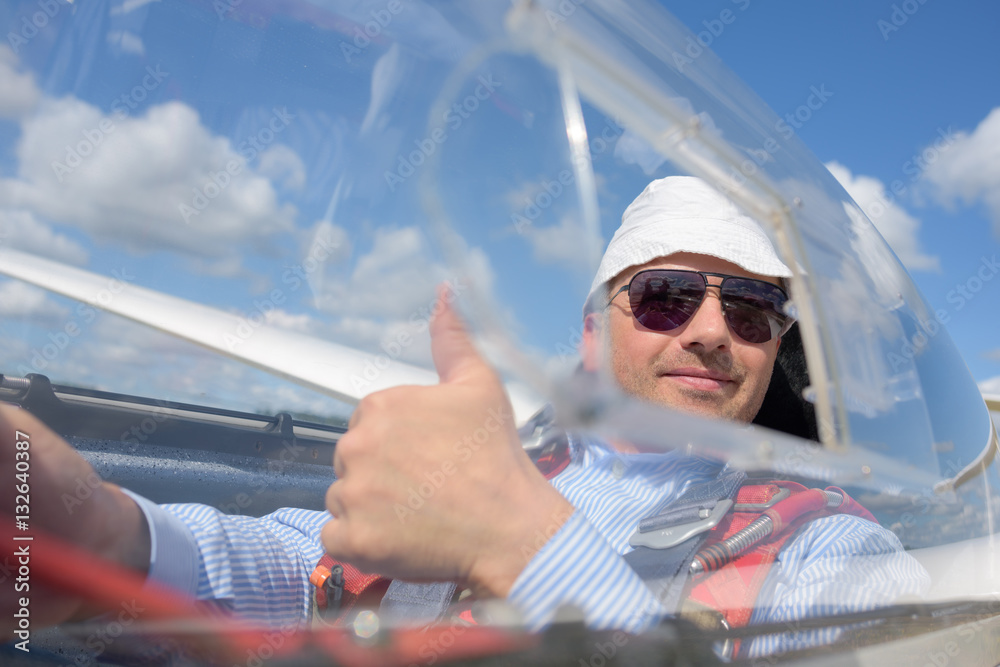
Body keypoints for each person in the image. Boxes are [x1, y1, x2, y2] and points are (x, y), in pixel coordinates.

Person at [1, 177, 928, 658]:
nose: (715, 331)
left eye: (754, 311)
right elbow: (305, 572)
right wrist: (99, 527)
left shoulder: (832, 555)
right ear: (590, 334)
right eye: (668, 295)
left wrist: (527, 544)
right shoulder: (497, 460)